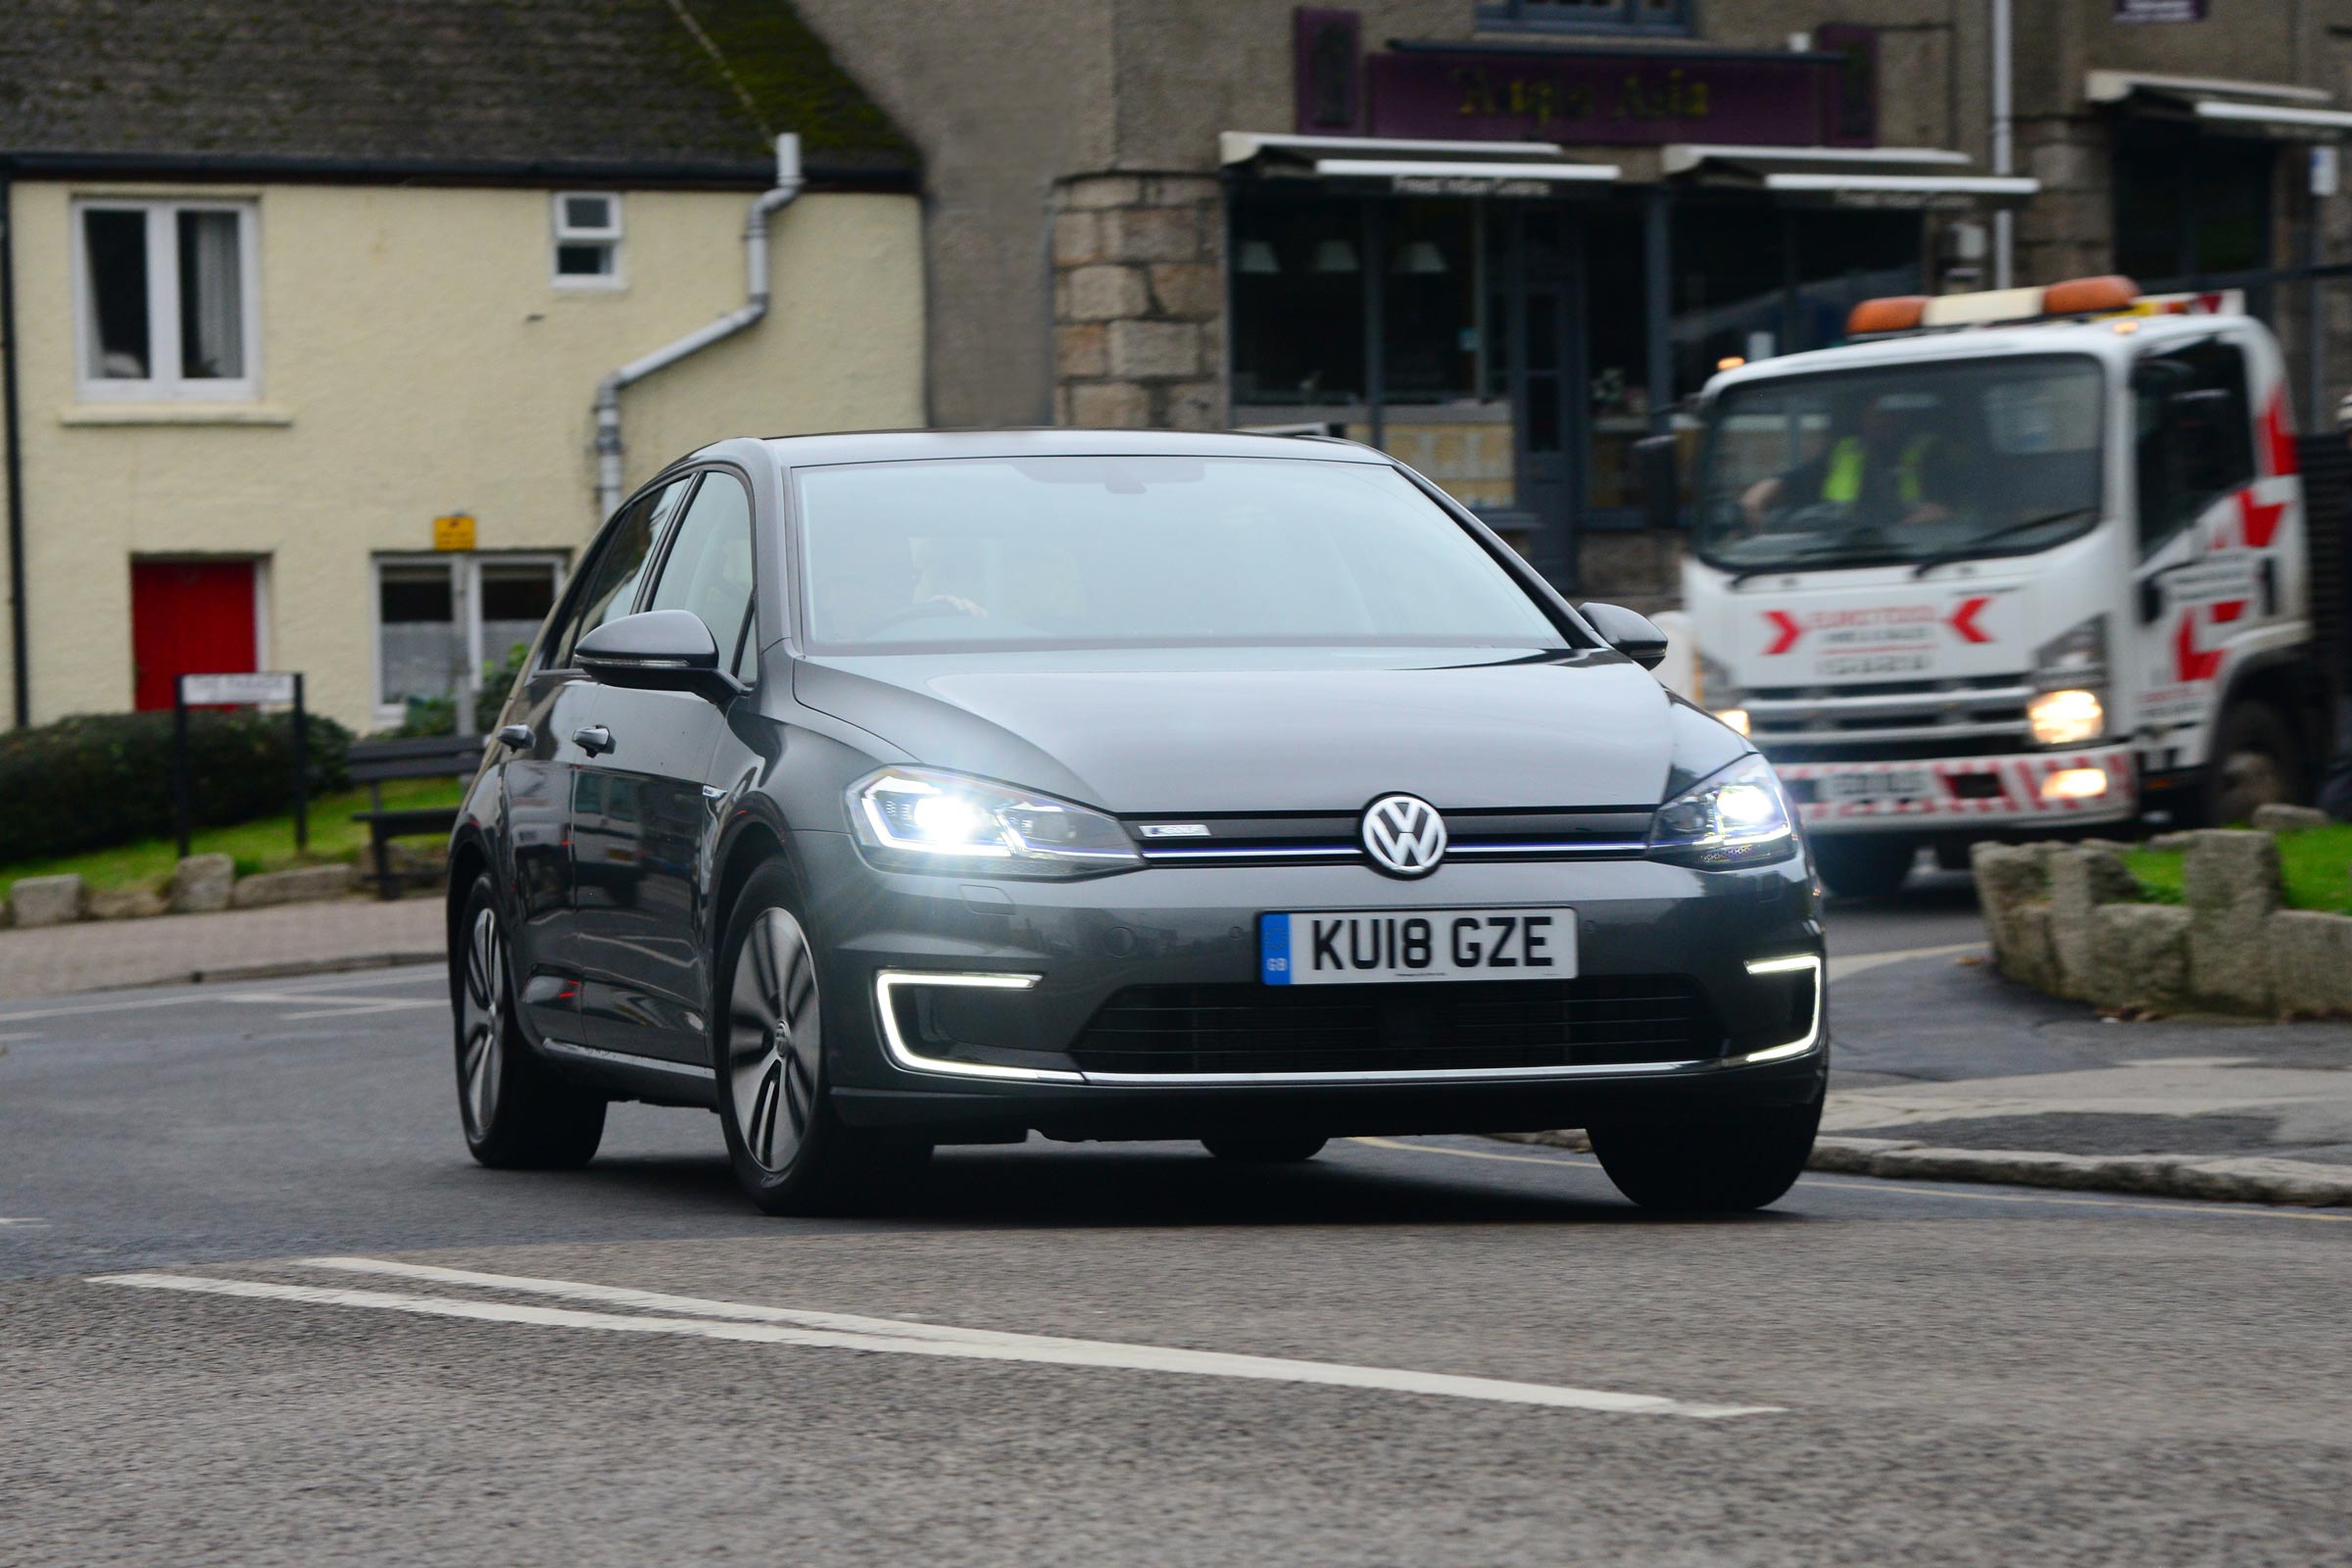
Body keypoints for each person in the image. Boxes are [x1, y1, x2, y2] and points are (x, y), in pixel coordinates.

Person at [1741, 397, 1962, 528]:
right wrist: (1761, 493)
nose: (1883, 420)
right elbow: (1794, 483)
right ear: (1863, 416)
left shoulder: (1933, 452)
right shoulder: (1844, 452)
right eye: (1876, 412)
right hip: (1842, 551)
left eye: (1890, 413)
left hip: (1921, 551)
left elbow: (1953, 509)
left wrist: (1933, 515)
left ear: (1903, 416)